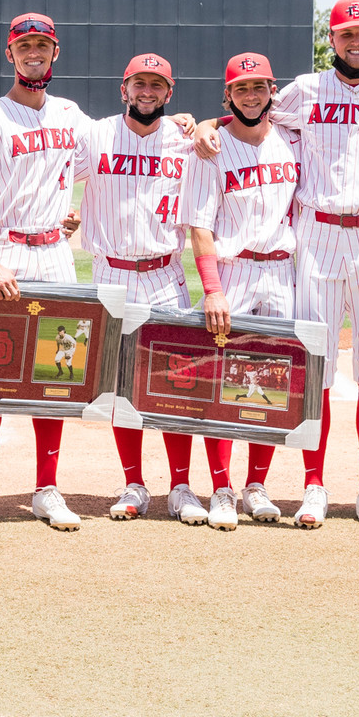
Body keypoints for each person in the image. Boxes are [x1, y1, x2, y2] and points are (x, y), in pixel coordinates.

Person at [191, 0, 359, 529]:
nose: (356, 42)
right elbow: (248, 112)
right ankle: (314, 485)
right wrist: (204, 124)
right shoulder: (304, 90)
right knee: (313, 366)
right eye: (347, 33)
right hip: (318, 235)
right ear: (332, 39)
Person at [0, 13, 96, 533]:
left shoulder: (71, 115)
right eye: (24, 45)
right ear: (9, 54)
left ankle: (47, 489)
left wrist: (200, 124)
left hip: (55, 252)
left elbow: (118, 144)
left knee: (57, 373)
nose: (34, 52)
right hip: (7, 249)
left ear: (56, 52)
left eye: (42, 44)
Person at [81, 54, 209, 526]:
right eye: (139, 83)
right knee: (120, 386)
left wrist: (205, 123)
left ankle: (181, 485)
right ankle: (134, 483)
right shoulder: (95, 135)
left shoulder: (186, 141)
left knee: (177, 381)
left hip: (164, 273)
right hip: (111, 273)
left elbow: (235, 130)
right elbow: (46, 169)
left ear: (169, 93)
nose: (147, 91)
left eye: (157, 84)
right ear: (124, 89)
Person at [180, 53, 302, 526]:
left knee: (270, 379)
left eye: (259, 87)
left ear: (273, 91)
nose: (251, 96)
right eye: (241, 88)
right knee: (222, 381)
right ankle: (222, 489)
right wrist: (212, 290)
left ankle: (256, 485)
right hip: (234, 271)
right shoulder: (209, 149)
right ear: (227, 95)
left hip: (282, 271)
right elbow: (200, 227)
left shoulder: (292, 139)